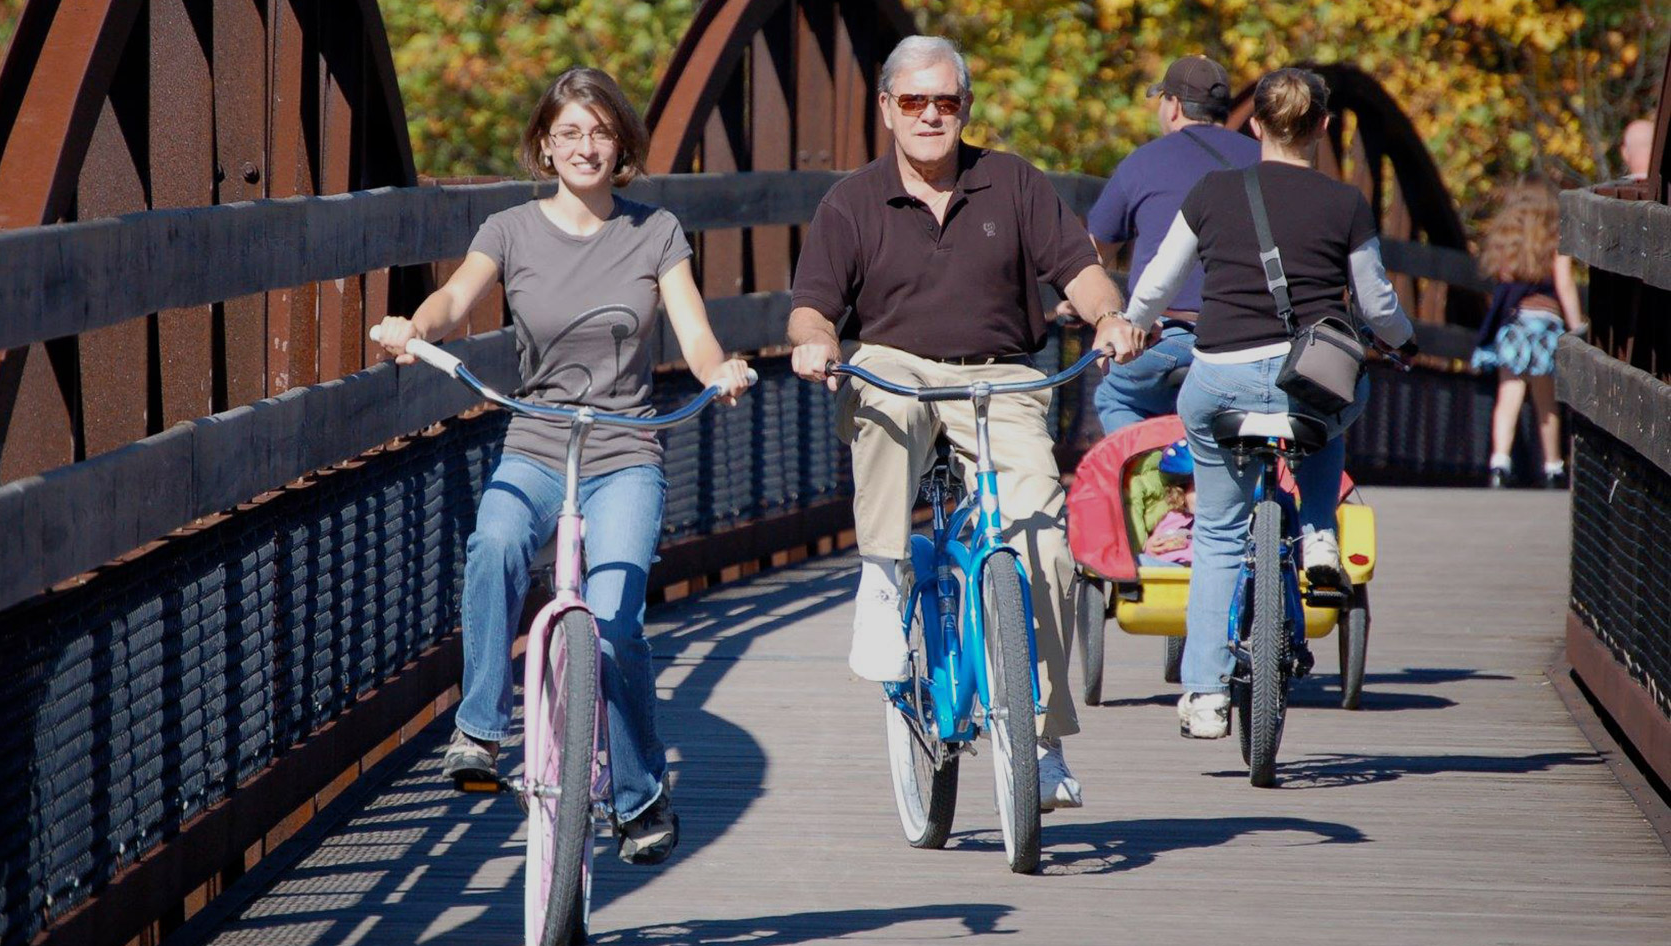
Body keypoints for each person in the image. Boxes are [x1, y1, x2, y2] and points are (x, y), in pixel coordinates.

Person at [373, 67, 752, 864]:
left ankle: (640, 796)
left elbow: (694, 330)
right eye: (570, 133)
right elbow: (455, 299)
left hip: (623, 452)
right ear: (545, 145)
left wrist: (720, 369)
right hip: (538, 440)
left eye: (601, 132)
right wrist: (415, 326)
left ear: (623, 147)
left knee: (615, 630)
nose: (586, 147)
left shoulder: (655, 232)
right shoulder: (509, 229)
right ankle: (480, 730)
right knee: (497, 545)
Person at [787, 35, 1146, 809]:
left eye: (945, 102)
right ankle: (885, 577)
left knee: (1041, 540)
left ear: (966, 108)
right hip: (900, 366)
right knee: (879, 397)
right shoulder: (850, 200)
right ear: (885, 109)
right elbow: (814, 304)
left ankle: (1041, 742)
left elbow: (1076, 265)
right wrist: (815, 344)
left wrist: (1109, 316)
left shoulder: (1011, 180)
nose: (929, 116)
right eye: (912, 101)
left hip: (1004, 373)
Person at [1104, 67, 1415, 740]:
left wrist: (1132, 324)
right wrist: (1402, 340)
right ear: (1324, 127)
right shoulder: (1346, 204)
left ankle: (1207, 695)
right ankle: (1318, 530)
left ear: (1255, 125)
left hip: (1218, 378)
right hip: (1307, 380)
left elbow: (1159, 280)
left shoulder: (1213, 191)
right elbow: (1374, 302)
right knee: (1337, 408)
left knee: (1217, 535)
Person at [1088, 56, 1260, 433]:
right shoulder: (1264, 160)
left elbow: (1093, 256)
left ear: (1175, 106)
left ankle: (1147, 481)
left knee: (1115, 396)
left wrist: (1085, 306)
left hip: (1163, 337)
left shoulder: (1143, 161)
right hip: (1245, 342)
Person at [1473, 180, 1584, 489]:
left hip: (1516, 326)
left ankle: (1499, 462)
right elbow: (1564, 284)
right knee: (1546, 402)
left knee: (1508, 397)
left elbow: (1505, 280)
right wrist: (1576, 327)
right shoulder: (1555, 241)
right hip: (1546, 327)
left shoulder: (1511, 243)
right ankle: (1553, 466)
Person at [1140, 441, 1196, 567]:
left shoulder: (1223, 521)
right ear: (1182, 493)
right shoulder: (1173, 517)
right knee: (1137, 561)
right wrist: (1151, 547)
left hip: (1197, 569)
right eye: (1197, 490)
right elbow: (1157, 543)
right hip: (1169, 570)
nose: (1205, 498)